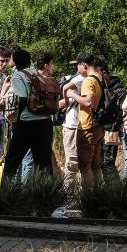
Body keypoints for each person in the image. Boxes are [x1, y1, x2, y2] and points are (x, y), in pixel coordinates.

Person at [2, 48, 54, 180]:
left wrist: (18, 121)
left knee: (12, 159)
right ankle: (48, 189)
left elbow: (22, 99)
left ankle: (7, 190)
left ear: (15, 62)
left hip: (27, 122)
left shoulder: (18, 75)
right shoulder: (37, 74)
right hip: (45, 122)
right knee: (44, 162)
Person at [57, 53, 91, 189]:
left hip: (74, 124)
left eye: (77, 64)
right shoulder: (87, 78)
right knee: (79, 163)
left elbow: (65, 88)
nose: (76, 67)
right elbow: (66, 89)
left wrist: (66, 101)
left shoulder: (82, 79)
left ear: (83, 65)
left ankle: (70, 193)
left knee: (73, 163)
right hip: (78, 124)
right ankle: (77, 193)